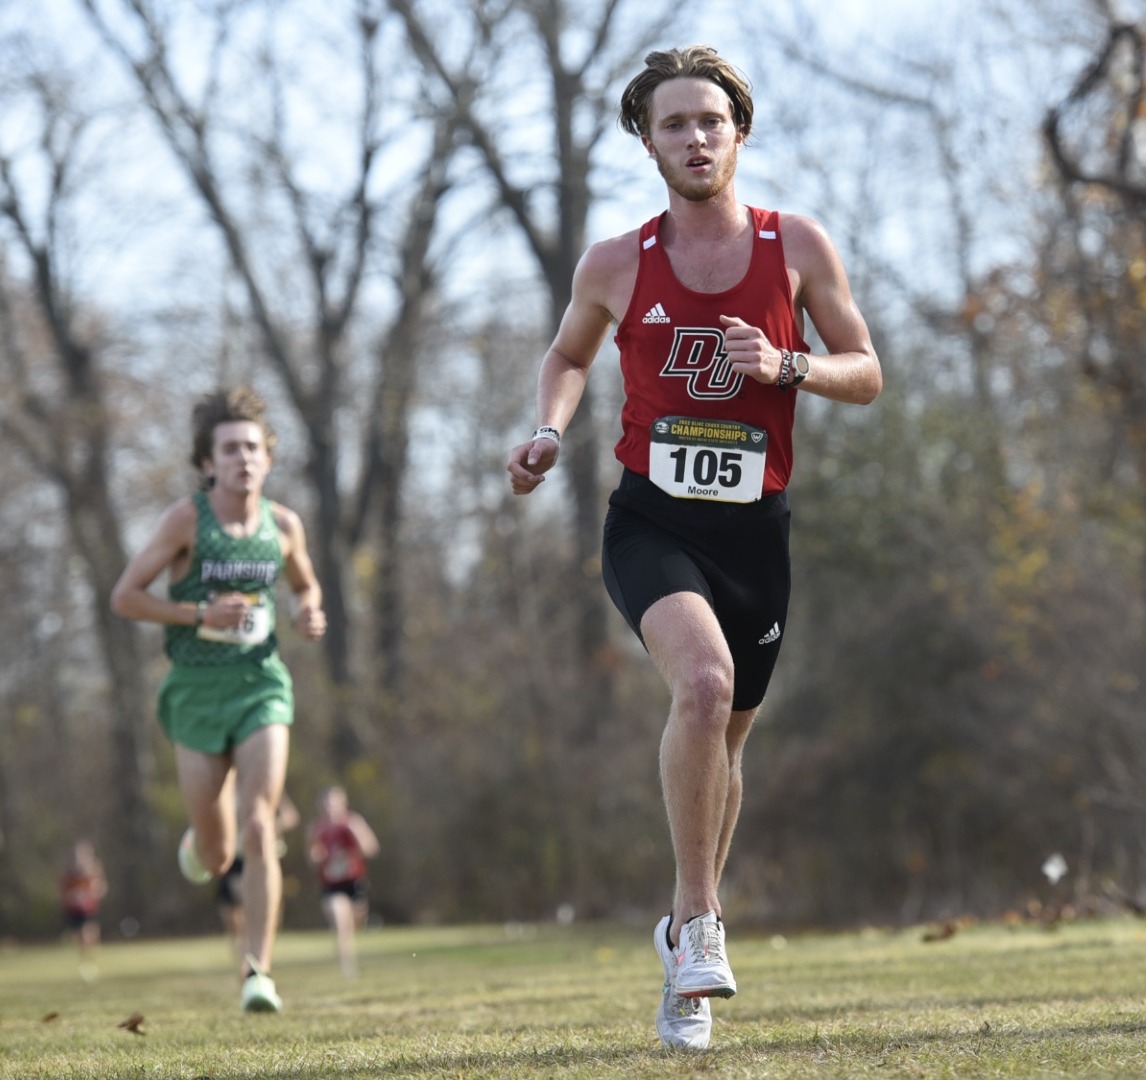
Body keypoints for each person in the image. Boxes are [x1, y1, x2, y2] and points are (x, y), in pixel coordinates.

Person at [504, 45, 882, 1050]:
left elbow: (868, 370)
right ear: (648, 141)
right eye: (674, 124)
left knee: (728, 740)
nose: (696, 138)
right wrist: (547, 428)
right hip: (651, 523)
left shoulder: (794, 244)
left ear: (739, 132)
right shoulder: (616, 262)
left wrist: (791, 362)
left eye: (711, 120)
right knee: (703, 688)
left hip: (755, 530)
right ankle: (701, 929)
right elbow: (568, 354)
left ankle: (680, 930)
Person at [111, 387, 327, 1013]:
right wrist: (199, 612)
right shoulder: (186, 521)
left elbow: (306, 588)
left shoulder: (283, 525)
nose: (244, 459)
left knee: (262, 827)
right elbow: (125, 597)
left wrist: (309, 614)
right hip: (195, 692)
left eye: (253, 448)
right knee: (217, 852)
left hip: (260, 685)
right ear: (208, 462)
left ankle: (256, 972)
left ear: (269, 457)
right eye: (230, 449)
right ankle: (201, 842)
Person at [306, 785, 380, 978]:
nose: (329, 808)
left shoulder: (352, 822)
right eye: (325, 804)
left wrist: (351, 851)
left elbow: (371, 848)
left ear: (343, 803)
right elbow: (312, 857)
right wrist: (318, 858)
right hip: (331, 884)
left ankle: (360, 930)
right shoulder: (316, 828)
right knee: (340, 921)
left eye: (333, 803)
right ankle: (347, 967)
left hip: (354, 881)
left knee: (355, 923)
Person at [216, 794, 300, 961]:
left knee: (248, 902)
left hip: (258, 856)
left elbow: (290, 817)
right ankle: (243, 948)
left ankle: (252, 952)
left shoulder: (266, 783)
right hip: (233, 856)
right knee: (230, 913)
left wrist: (270, 826)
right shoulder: (226, 786)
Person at [59, 839, 107, 975]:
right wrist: (70, 898)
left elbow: (101, 886)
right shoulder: (69, 873)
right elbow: (63, 890)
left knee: (89, 934)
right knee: (79, 937)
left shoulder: (94, 869)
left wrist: (93, 893)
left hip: (89, 908)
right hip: (75, 909)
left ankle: (91, 961)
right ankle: (85, 961)